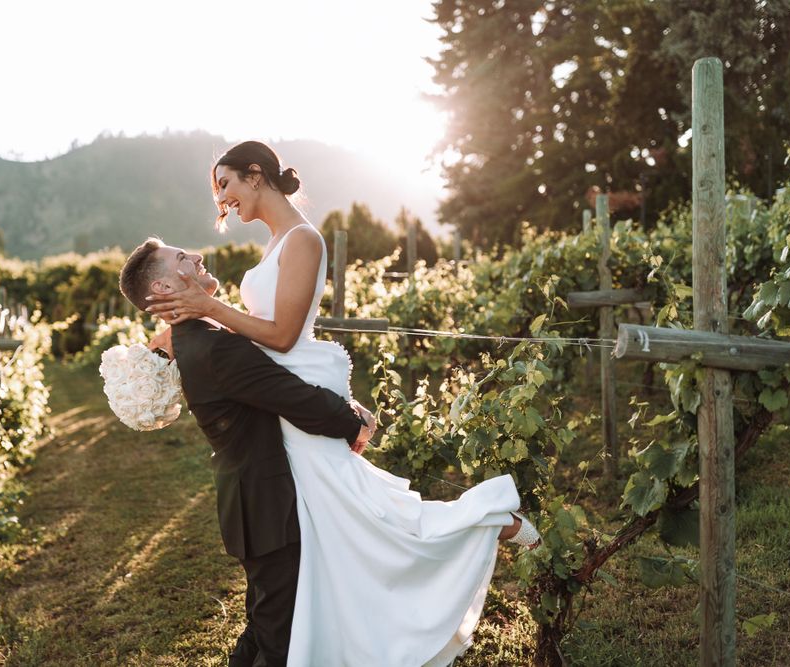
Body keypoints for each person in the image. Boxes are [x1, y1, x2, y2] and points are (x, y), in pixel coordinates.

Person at [140, 141, 538, 666]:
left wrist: (208, 309)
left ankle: (487, 519)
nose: (223, 199)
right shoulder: (276, 243)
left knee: (365, 519)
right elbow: (252, 344)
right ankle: (329, 639)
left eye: (226, 184)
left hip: (295, 407)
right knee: (346, 530)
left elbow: (282, 336)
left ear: (255, 175)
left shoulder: (302, 239)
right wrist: (191, 327)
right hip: (283, 412)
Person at [120, 239, 375, 666]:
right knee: (281, 639)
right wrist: (354, 419)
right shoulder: (214, 346)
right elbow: (296, 399)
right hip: (267, 503)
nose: (197, 256)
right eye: (183, 258)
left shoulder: (195, 338)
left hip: (250, 497)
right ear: (163, 287)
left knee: (265, 626)